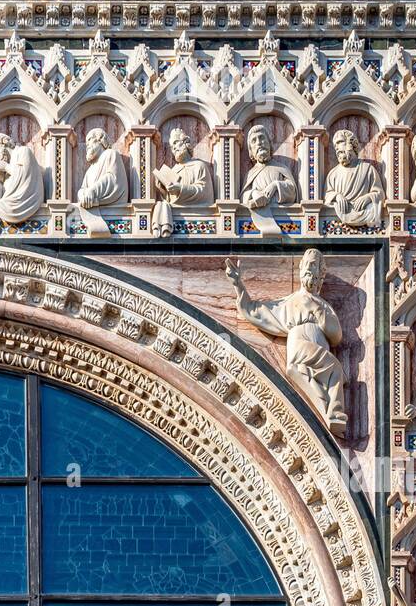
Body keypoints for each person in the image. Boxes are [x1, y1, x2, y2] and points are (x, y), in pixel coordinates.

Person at [226, 249, 349, 433]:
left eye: (314, 264)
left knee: (335, 371)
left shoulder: (324, 306)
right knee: (334, 369)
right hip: (300, 345)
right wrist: (238, 284)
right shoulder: (290, 302)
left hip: (318, 348)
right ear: (300, 269)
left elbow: (336, 335)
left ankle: (331, 410)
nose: (309, 267)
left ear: (320, 274)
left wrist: (317, 311)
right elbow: (255, 311)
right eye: (306, 264)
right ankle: (329, 407)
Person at [152, 126, 212, 235]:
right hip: (175, 212)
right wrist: (163, 189)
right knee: (161, 205)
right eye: (171, 146)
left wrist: (181, 189)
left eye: (175, 143)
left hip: (198, 218)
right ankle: (163, 229)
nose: (173, 148)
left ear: (185, 142)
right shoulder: (174, 170)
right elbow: (171, 198)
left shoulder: (199, 166)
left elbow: (204, 192)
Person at [324, 128, 384, 228]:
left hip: (364, 212)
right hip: (339, 218)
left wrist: (368, 198)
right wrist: (337, 196)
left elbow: (380, 193)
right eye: (335, 146)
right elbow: (327, 194)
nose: (337, 148)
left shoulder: (368, 169)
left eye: (339, 142)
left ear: (351, 144)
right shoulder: (333, 174)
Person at [0, 132, 44, 225]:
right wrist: (1, 176)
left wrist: (6, 167)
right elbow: (10, 187)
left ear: (4, 142)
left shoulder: (23, 151)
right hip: (12, 201)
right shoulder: (9, 162)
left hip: (25, 201)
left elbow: (26, 174)